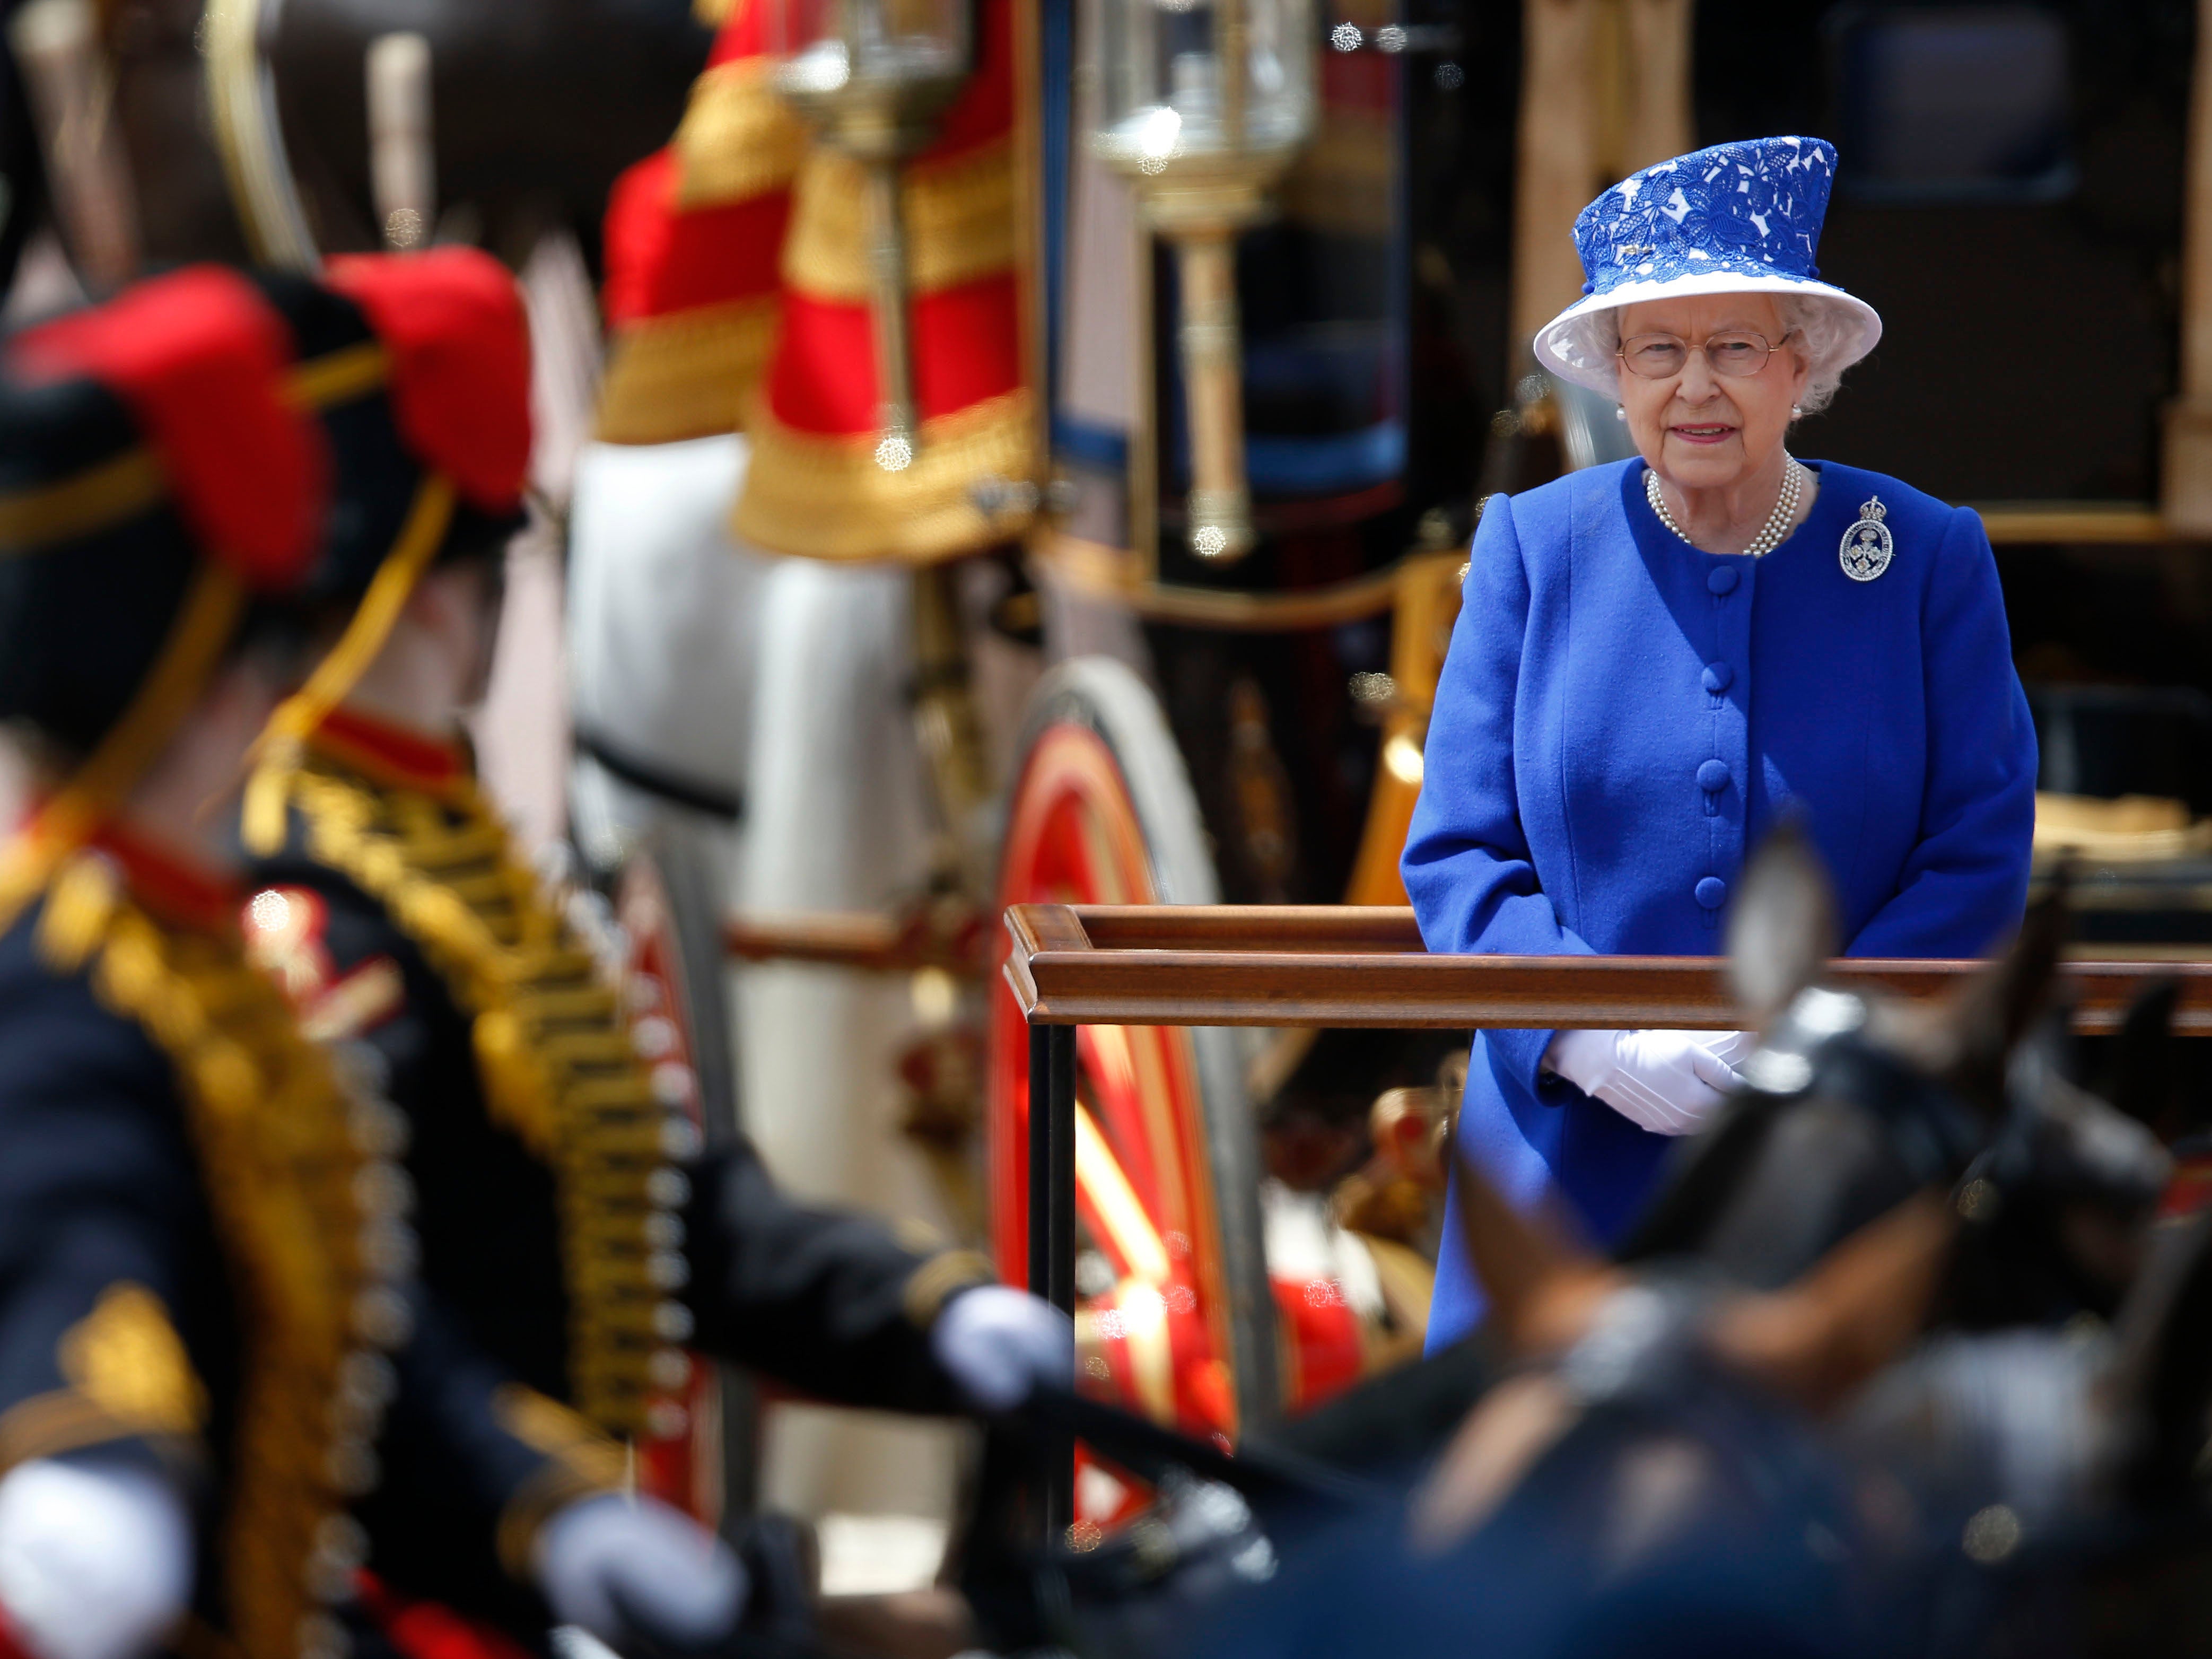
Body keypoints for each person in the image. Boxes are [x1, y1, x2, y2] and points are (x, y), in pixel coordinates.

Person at [232, 249, 1071, 1644]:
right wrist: (546, 1524)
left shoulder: (436, 840)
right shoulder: (308, 880)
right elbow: (354, 1323)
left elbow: (641, 1205)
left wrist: (921, 1313)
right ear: (430, 594)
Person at [0, 267, 743, 1659]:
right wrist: (91, 1446)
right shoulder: (61, 987)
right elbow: (73, 1249)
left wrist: (545, 1514)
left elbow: (354, 1361)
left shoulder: (186, 958)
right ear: (206, 689)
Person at [1403, 135, 2037, 1348]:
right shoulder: (1533, 548)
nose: (1695, 386)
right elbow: (1460, 854)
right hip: (1559, 1178)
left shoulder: (1920, 554)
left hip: (1827, 1185)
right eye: (1658, 350)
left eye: (1733, 348)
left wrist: (1811, 1048)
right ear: (1615, 376)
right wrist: (1592, 1039)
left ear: (1798, 367)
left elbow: (1977, 856)